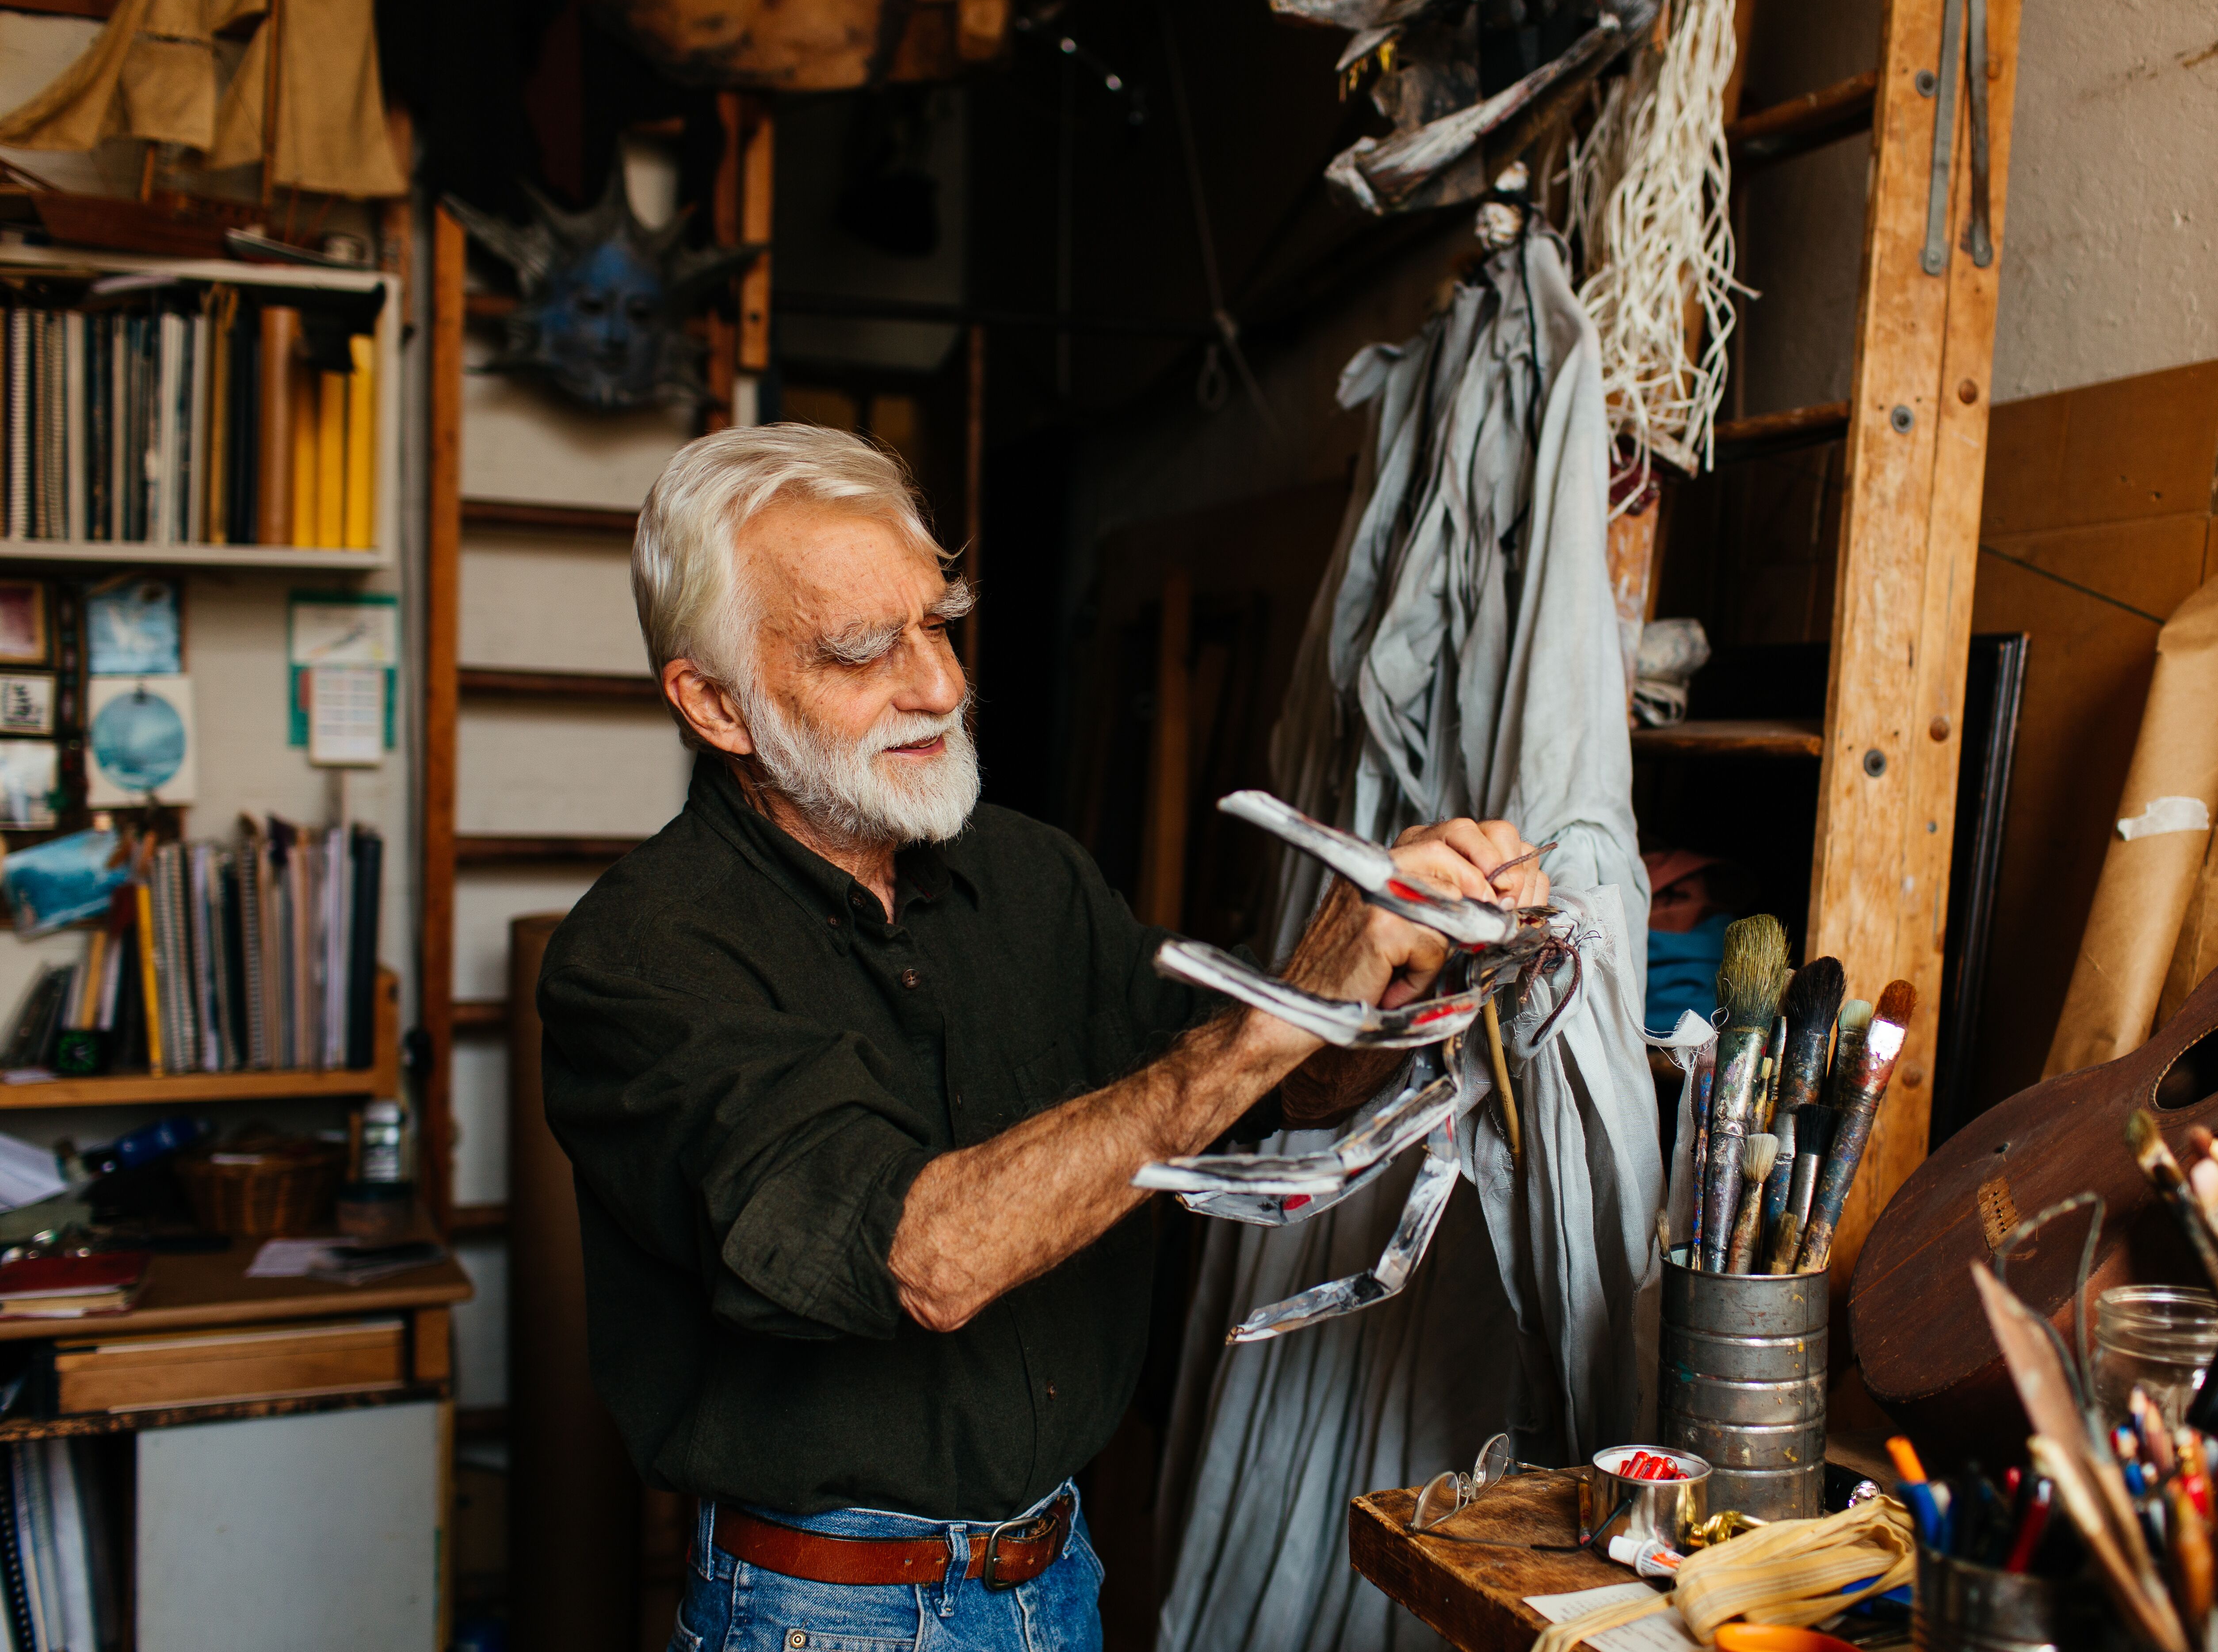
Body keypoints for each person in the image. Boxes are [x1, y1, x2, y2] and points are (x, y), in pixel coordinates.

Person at [538, 424, 1551, 1652]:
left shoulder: (1027, 876)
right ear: (716, 705)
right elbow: (928, 1262)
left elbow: (1275, 1093)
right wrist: (1284, 1004)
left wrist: (1392, 980)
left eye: (939, 623)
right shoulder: (641, 961)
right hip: (824, 1617)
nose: (941, 686)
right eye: (864, 653)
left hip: (1057, 1575)